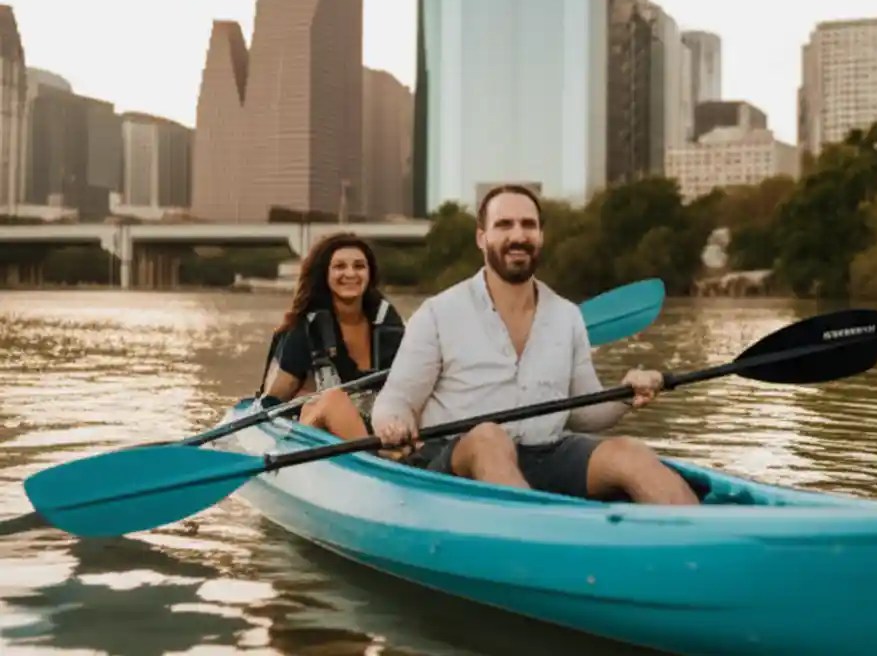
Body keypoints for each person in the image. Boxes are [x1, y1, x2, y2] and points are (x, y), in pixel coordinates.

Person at [370, 184, 700, 505]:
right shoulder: (438, 313)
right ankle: (542, 542)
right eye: (504, 225)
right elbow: (395, 400)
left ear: (540, 236)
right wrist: (393, 424)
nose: (518, 236)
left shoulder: (566, 316)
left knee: (630, 452)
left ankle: (703, 539)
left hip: (546, 453)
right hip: (457, 460)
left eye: (528, 225)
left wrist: (628, 393)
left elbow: (584, 415)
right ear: (481, 238)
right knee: (489, 437)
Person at [258, 232, 405, 440]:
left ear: (370, 274)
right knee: (334, 400)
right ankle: (377, 458)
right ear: (324, 275)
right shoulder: (304, 330)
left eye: (359, 266)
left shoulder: (389, 323)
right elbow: (271, 404)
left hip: (377, 431)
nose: (350, 273)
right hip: (312, 438)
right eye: (339, 267)